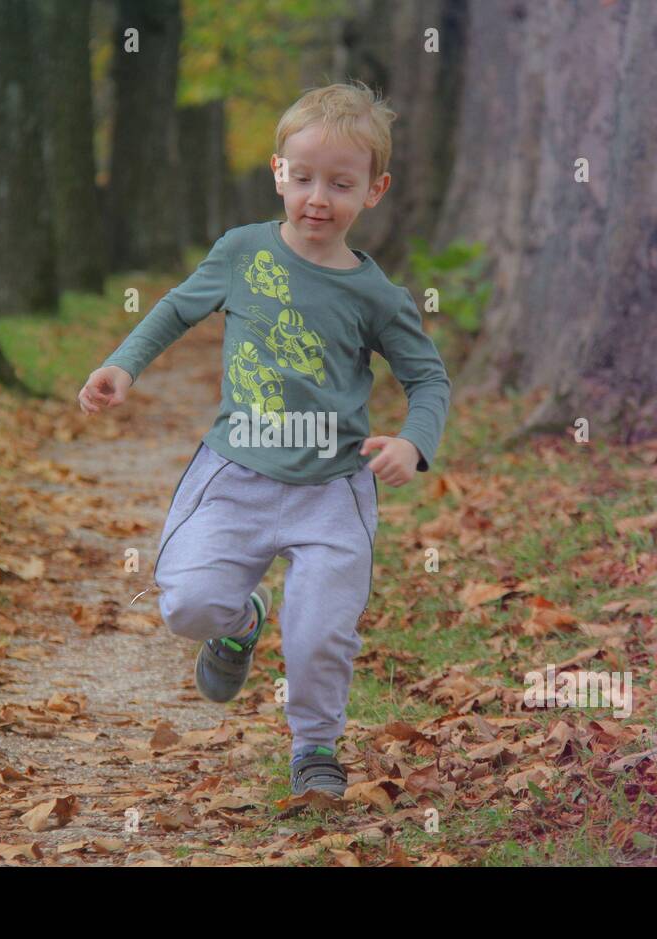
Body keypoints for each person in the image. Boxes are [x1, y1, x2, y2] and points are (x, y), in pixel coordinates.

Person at [78, 80, 451, 798]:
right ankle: (243, 620)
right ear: (277, 173)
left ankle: (315, 747)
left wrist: (412, 443)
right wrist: (122, 366)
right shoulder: (242, 252)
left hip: (334, 492)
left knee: (319, 637)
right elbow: (175, 309)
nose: (318, 198)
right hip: (235, 474)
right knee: (184, 604)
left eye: (340, 184)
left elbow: (429, 380)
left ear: (374, 190)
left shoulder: (377, 298)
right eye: (303, 177)